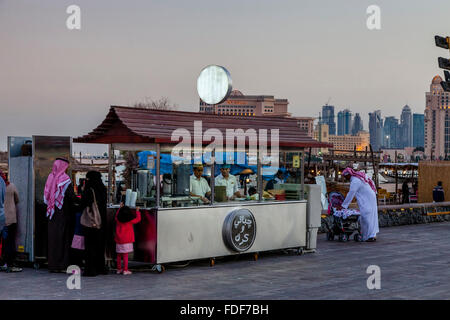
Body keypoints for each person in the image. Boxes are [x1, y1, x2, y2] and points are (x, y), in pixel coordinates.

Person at [44, 158, 79, 272]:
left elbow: (46, 197)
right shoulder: (65, 179)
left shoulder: (50, 178)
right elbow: (70, 197)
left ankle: (52, 265)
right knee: (63, 239)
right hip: (63, 213)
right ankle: (62, 265)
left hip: (52, 213)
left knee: (53, 239)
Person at [339, 167, 379, 242]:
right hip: (369, 197)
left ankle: (370, 236)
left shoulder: (355, 180)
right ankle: (371, 235)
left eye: (345, 176)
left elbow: (351, 193)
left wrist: (343, 206)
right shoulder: (358, 178)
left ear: (348, 175)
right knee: (369, 216)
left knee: (366, 215)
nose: (345, 178)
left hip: (367, 198)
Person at [80, 171, 108, 276]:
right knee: (100, 245)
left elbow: (83, 204)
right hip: (101, 221)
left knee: (90, 246)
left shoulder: (89, 190)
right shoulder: (102, 189)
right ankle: (100, 267)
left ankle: (91, 270)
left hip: (91, 223)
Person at [0, 171, 22, 272]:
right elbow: (17, 199)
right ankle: (9, 263)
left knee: (3, 242)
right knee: (10, 241)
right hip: (10, 218)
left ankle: (2, 262)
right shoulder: (11, 186)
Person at [115, 203, 141, 275]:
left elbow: (117, 215)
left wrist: (120, 208)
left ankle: (119, 269)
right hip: (127, 241)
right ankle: (125, 270)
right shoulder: (130, 221)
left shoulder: (117, 220)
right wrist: (137, 211)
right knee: (125, 255)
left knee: (119, 255)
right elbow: (138, 219)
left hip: (119, 240)